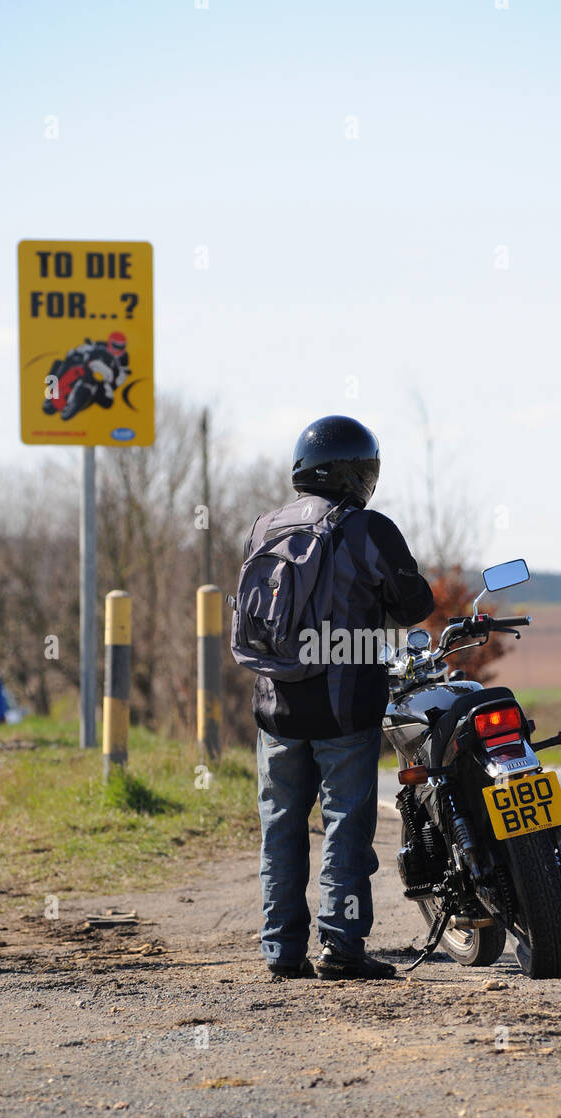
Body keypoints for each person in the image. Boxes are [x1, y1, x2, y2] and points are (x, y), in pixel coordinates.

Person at [236, 415, 434, 981]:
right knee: (345, 828)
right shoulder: (368, 529)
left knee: (281, 828)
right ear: (357, 473)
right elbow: (412, 604)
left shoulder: (262, 529)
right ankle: (343, 948)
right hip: (345, 709)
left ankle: (281, 952)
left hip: (275, 706)